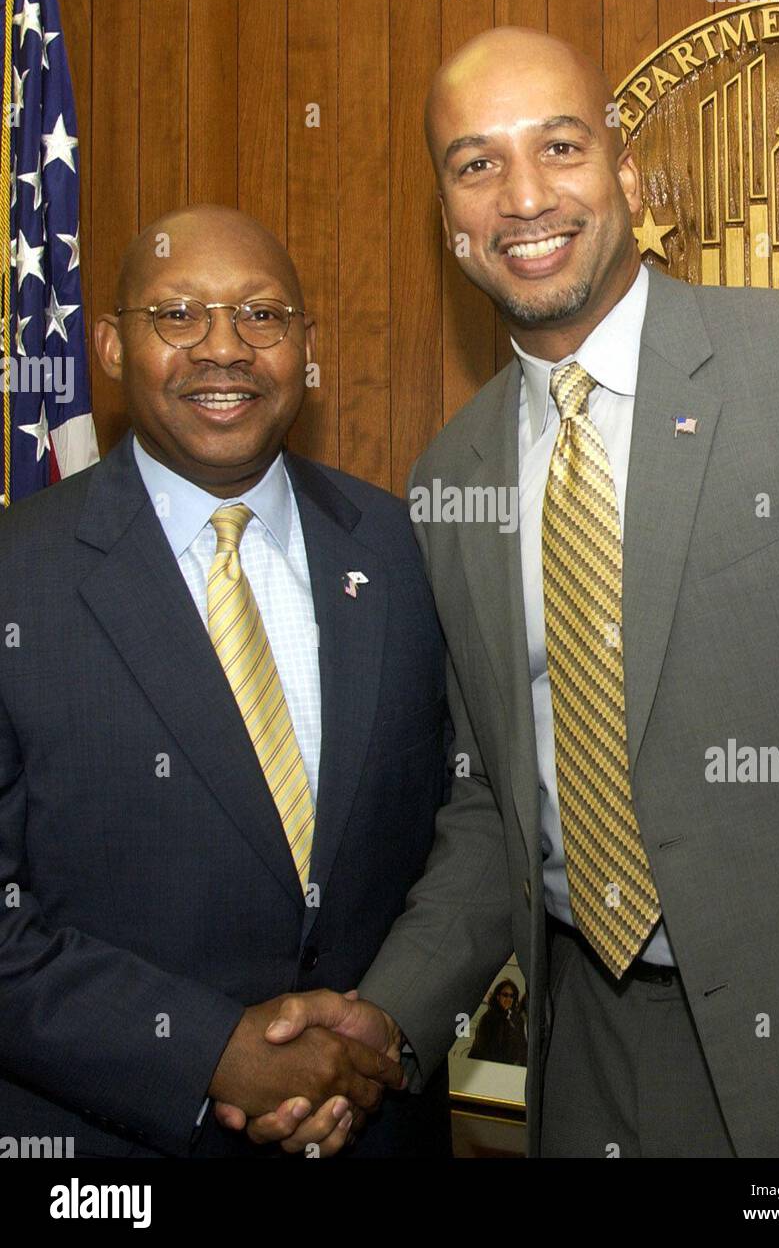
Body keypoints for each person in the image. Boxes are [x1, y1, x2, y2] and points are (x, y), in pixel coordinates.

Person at [218, 26, 779, 1159]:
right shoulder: (450, 481)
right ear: (447, 219)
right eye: (476, 163)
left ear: (627, 175)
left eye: (559, 144)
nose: (524, 196)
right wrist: (383, 1017)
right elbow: (492, 805)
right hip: (595, 1063)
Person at [0, 204, 452, 1158]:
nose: (224, 349)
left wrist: (391, 1023)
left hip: (375, 1129)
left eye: (262, 315)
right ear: (111, 346)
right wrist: (208, 1053)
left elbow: (470, 819)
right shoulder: (17, 576)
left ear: (304, 346)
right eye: (177, 316)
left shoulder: (405, 551)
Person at [469, 981, 528, 1066]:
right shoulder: (488, 1018)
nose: (508, 999)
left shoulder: (516, 1020)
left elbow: (521, 1047)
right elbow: (483, 1049)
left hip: (508, 1070)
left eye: (512, 996)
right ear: (498, 997)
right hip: (485, 1068)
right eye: (505, 995)